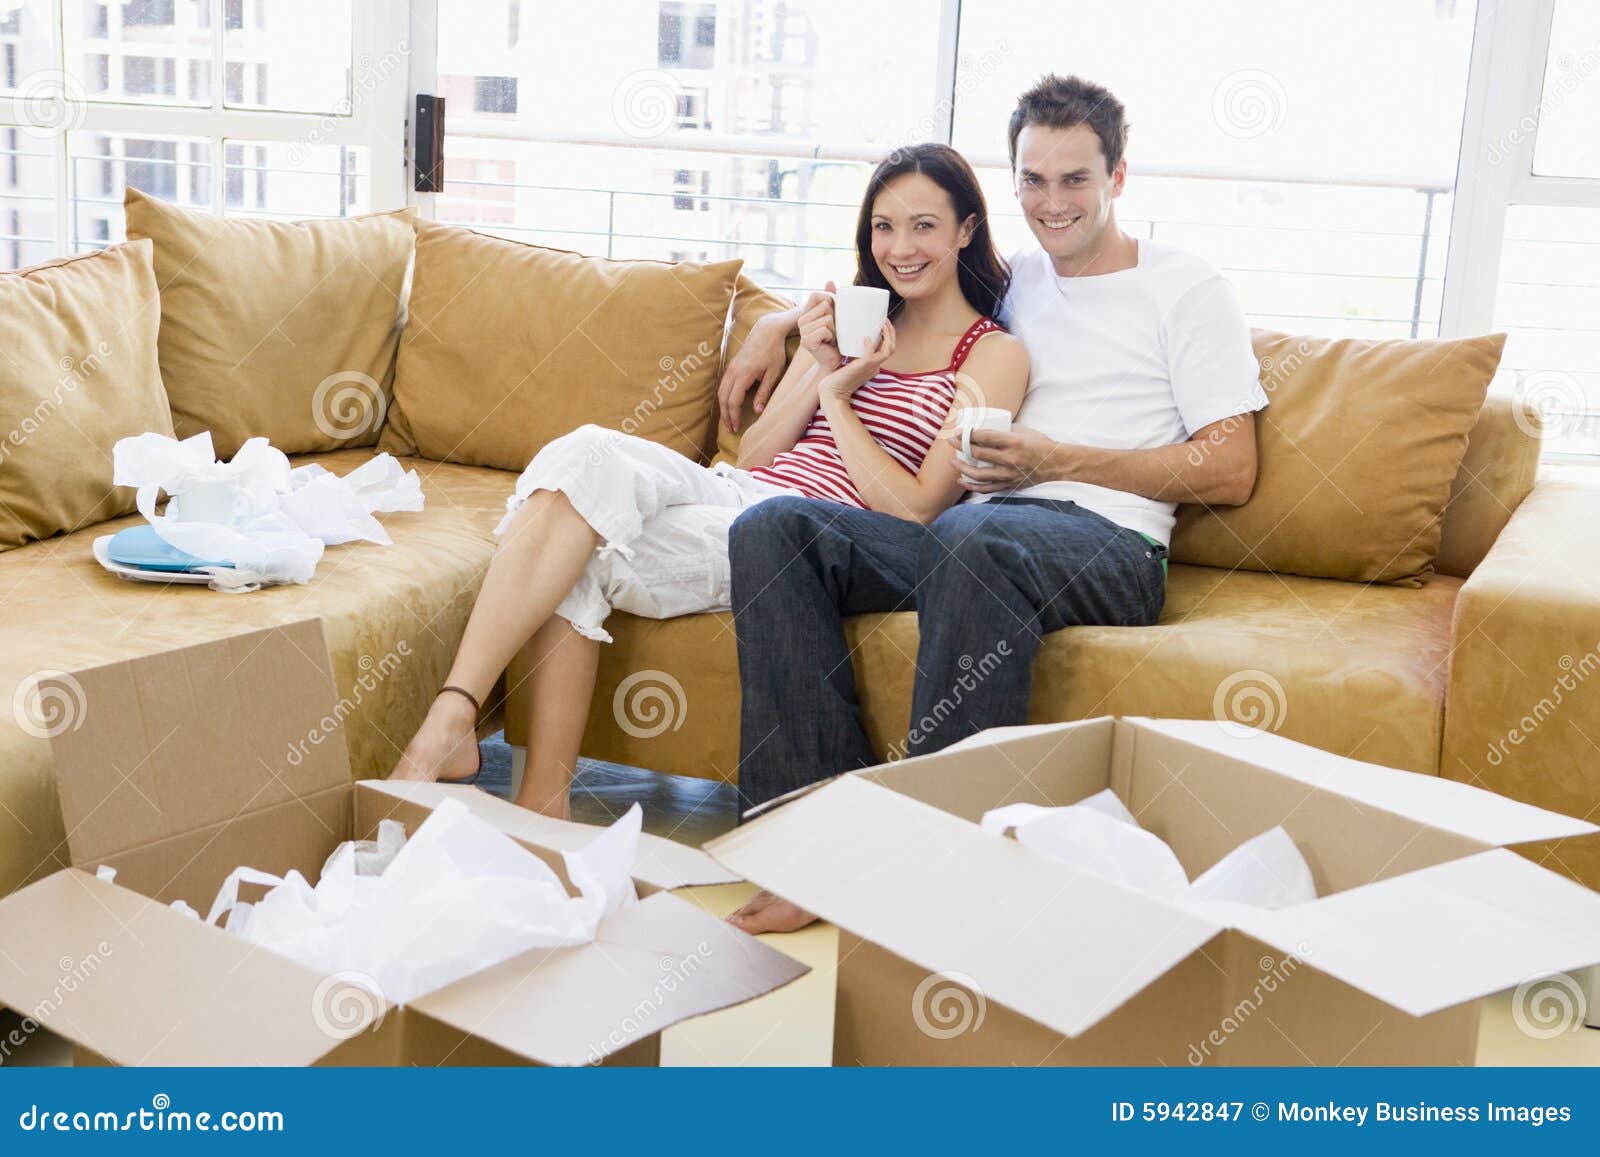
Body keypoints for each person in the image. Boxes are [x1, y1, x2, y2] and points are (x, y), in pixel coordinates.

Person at [720, 75, 1269, 935]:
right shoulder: (1020, 287)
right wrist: (779, 321)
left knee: (973, 534)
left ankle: (937, 866)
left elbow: (1232, 466)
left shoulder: (1186, 289)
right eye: (1034, 180)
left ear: (1118, 177)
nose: (1053, 203)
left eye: (1076, 179)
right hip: (976, 535)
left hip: (1109, 544)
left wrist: (1057, 459)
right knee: (771, 528)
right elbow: (912, 273)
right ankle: (814, 843)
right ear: (1011, 184)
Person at [391, 143, 1029, 817]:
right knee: (580, 465)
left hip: (802, 543)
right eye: (884, 226)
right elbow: (754, 457)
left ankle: (504, 768)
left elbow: (919, 509)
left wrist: (841, 400)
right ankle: (507, 769)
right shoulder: (855, 322)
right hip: (741, 494)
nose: (901, 247)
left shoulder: (992, 353)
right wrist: (815, 364)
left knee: (577, 538)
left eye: (924, 225)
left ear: (966, 229)